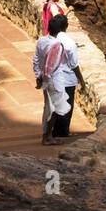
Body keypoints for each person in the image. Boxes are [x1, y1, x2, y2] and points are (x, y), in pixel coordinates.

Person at [33, 15, 71, 145]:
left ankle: (46, 135)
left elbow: (36, 59)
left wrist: (38, 76)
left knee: (48, 108)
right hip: (53, 81)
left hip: (45, 80)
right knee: (53, 110)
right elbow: (51, 65)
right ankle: (48, 137)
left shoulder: (41, 40)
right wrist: (46, 78)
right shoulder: (57, 45)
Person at [49, 14, 85, 138]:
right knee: (67, 105)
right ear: (66, 26)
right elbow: (74, 65)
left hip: (54, 78)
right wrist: (82, 80)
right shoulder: (70, 43)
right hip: (67, 79)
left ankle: (53, 131)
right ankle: (63, 132)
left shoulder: (51, 40)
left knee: (55, 105)